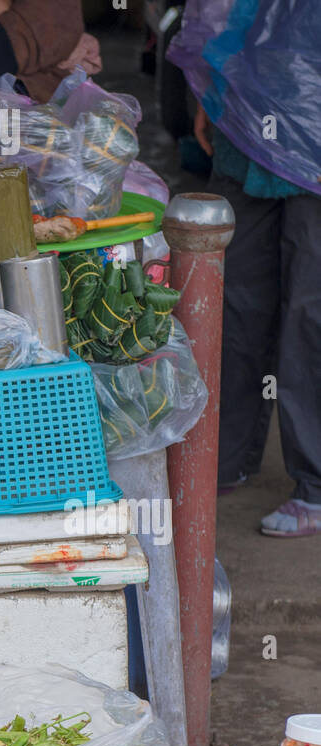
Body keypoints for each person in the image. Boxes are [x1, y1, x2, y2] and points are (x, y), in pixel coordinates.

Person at [193, 97, 321, 537]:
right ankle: (227, 457)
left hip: (313, 131)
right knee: (233, 297)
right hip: (247, 128)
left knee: (310, 314)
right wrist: (207, 90)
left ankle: (315, 487)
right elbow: (219, 24)